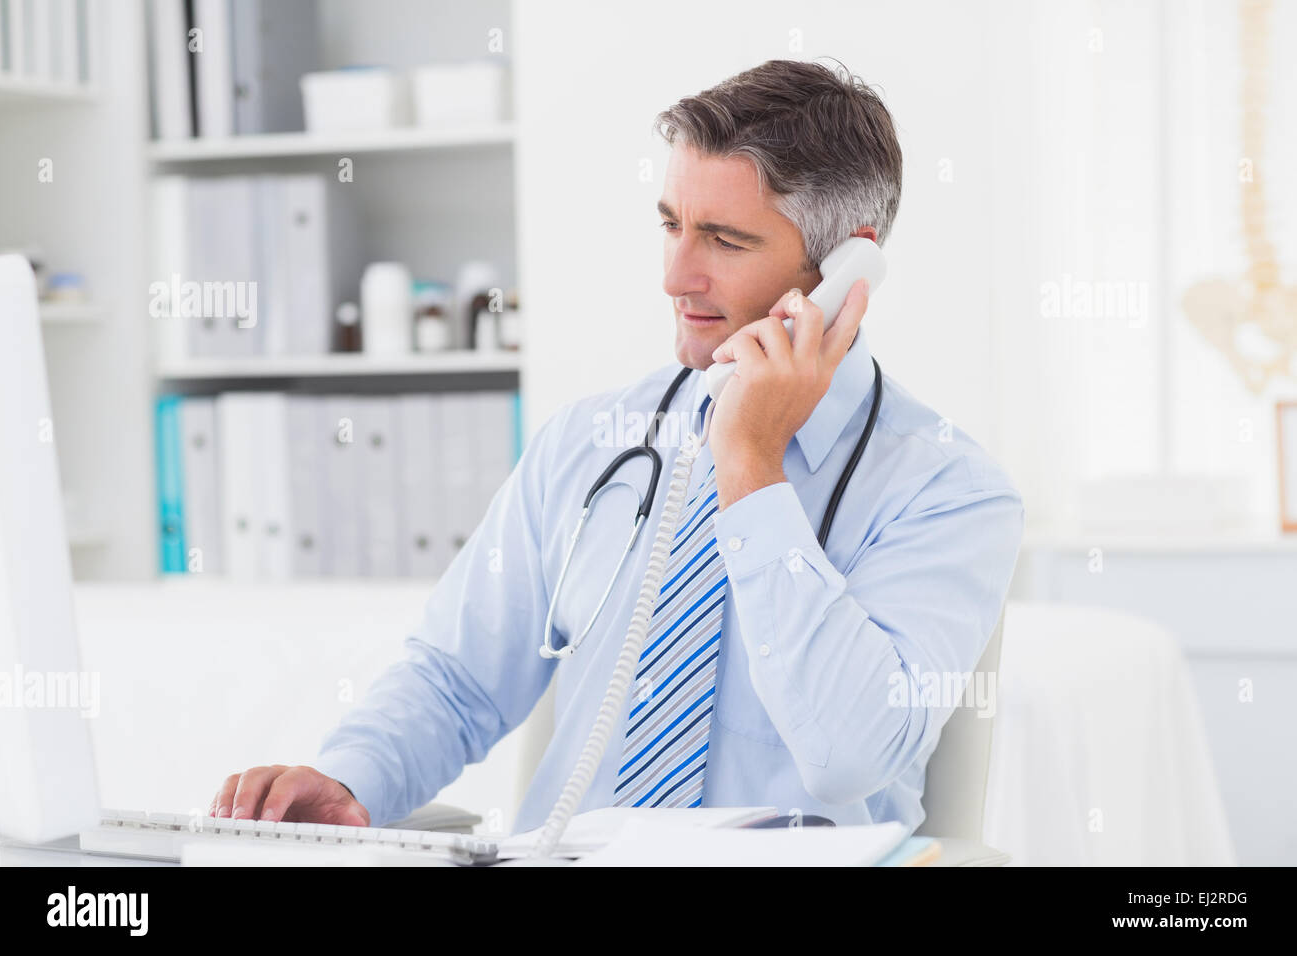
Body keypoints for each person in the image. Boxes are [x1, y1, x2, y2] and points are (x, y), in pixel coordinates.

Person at [210, 58, 1024, 836]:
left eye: (724, 241)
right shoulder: (589, 443)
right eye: (672, 226)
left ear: (849, 266)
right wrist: (351, 778)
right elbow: (457, 678)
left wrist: (750, 465)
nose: (676, 276)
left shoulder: (948, 491)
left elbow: (852, 755)